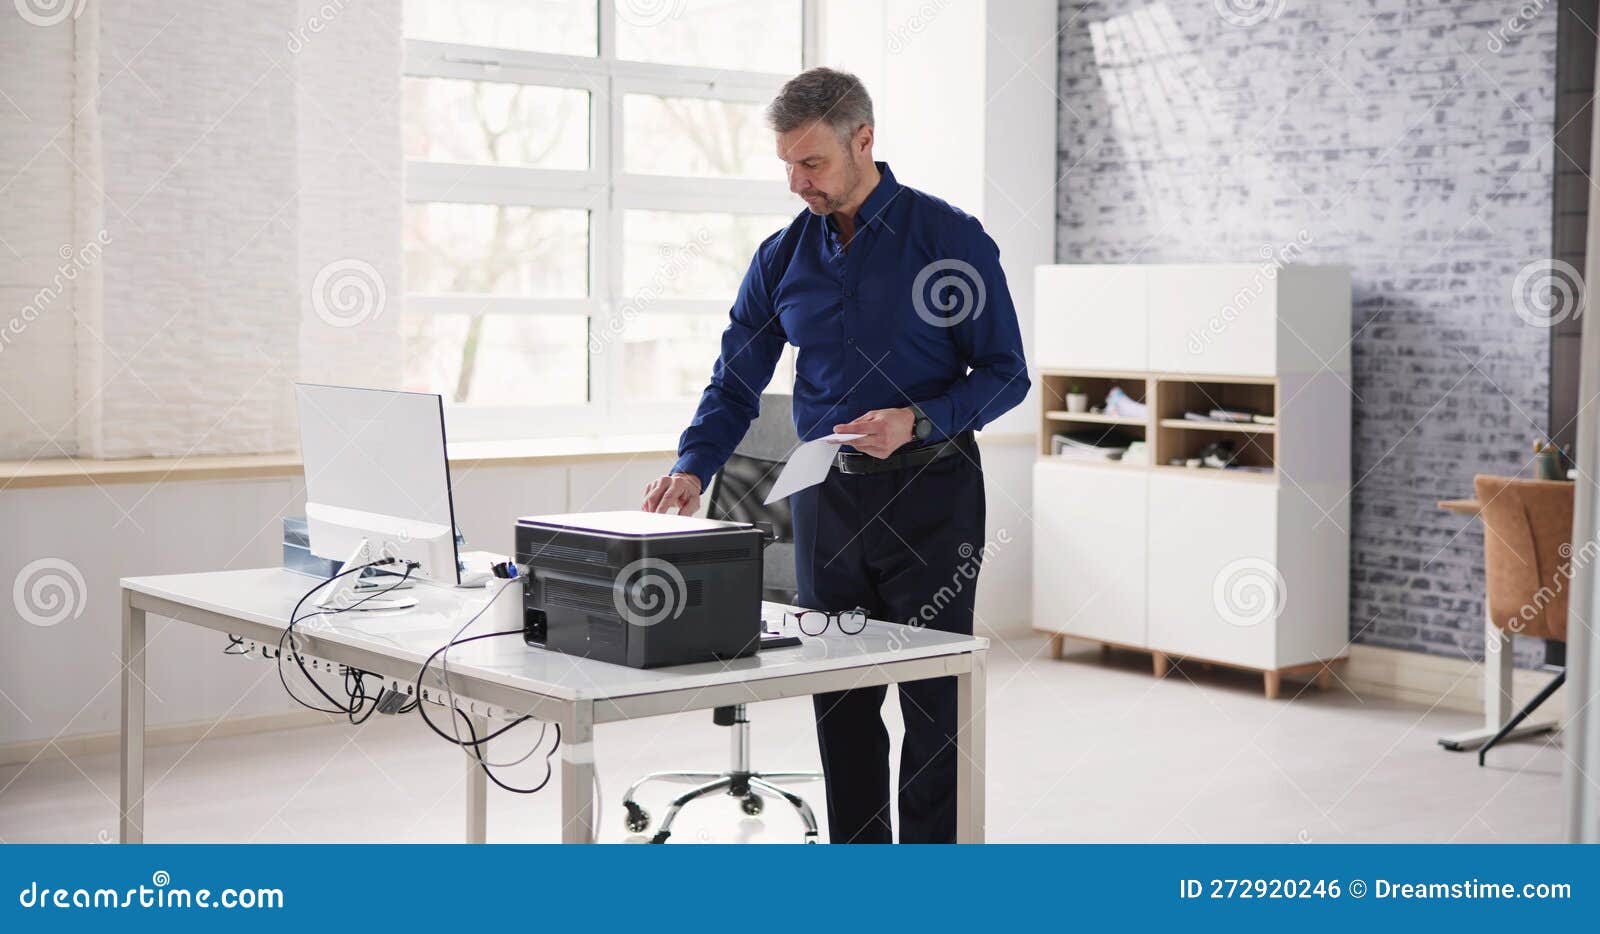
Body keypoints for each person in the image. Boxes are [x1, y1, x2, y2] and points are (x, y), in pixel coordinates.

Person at [641, 66, 1029, 843]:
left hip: (934, 501)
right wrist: (694, 465)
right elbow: (736, 380)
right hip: (828, 506)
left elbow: (1007, 376)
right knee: (841, 705)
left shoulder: (947, 239)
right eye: (786, 163)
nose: (796, 181)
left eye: (811, 163)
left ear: (864, 140)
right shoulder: (782, 258)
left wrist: (918, 421)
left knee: (931, 706)